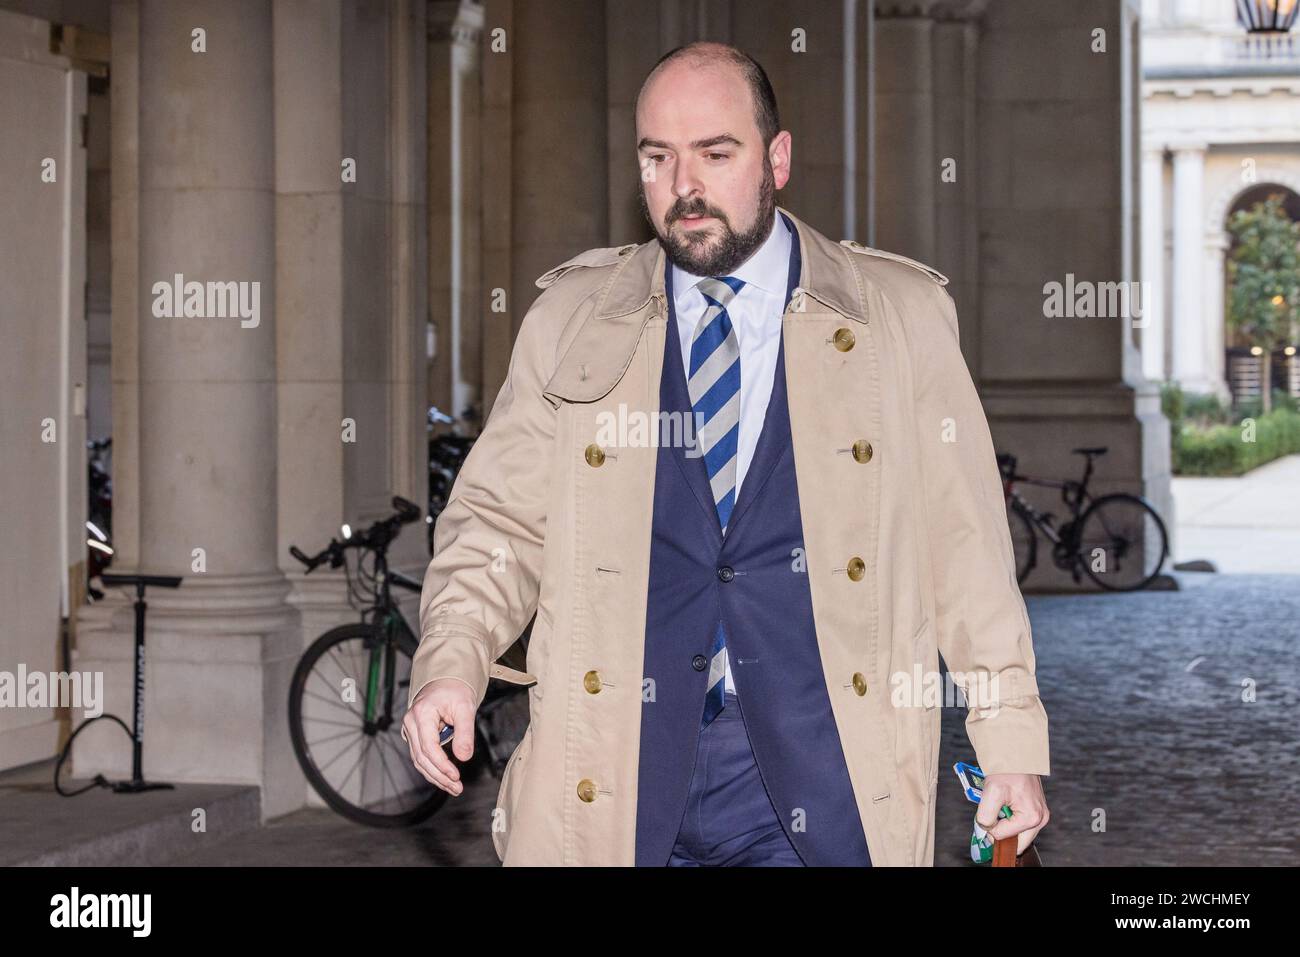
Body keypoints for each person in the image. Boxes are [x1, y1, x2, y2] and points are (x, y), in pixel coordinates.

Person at [402, 40, 1050, 866]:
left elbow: (964, 549)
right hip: (616, 778)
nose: (685, 186)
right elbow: (497, 524)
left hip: (824, 777)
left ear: (776, 157)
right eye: (658, 158)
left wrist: (1011, 741)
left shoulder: (899, 318)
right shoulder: (571, 319)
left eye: (716, 152)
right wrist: (450, 662)